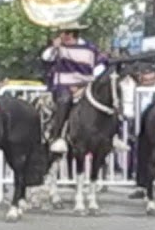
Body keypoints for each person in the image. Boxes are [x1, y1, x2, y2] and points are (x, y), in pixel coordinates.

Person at [40, 21, 124, 153]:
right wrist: (54, 47)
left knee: (110, 98)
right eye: (61, 33)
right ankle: (58, 137)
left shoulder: (89, 48)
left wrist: (90, 80)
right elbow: (46, 58)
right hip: (64, 85)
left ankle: (114, 135)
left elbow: (101, 65)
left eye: (65, 33)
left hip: (87, 84)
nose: (62, 36)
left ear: (72, 33)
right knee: (64, 100)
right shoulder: (59, 48)